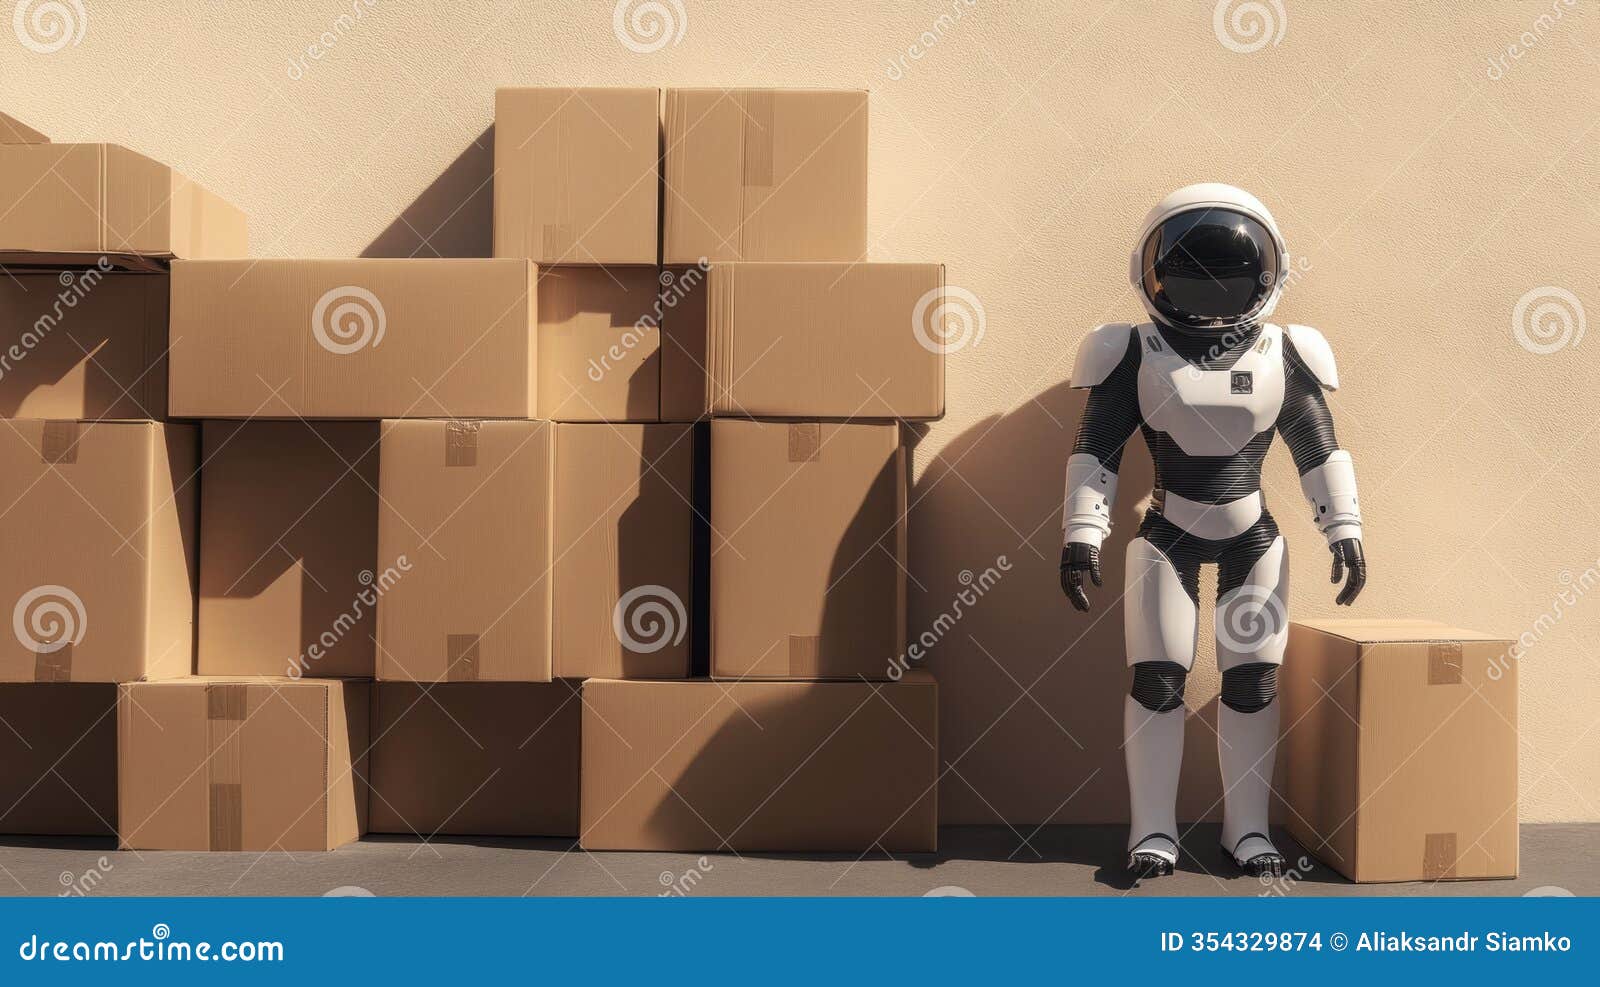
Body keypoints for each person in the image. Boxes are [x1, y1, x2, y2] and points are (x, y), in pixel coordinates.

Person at [1060, 183, 1366, 879]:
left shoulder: (1286, 352)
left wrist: (1342, 522)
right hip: (1167, 532)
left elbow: (1317, 446)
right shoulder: (1129, 352)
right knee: (1158, 677)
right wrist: (1083, 532)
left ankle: (1247, 831)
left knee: (1252, 678)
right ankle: (1154, 831)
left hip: (1251, 535)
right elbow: (1097, 449)